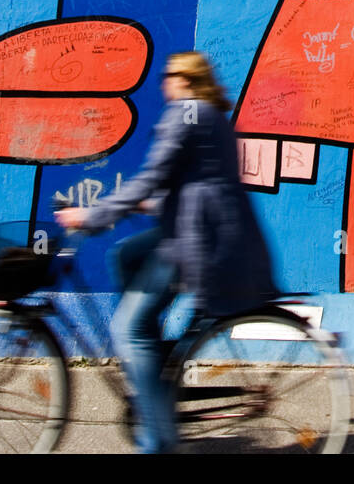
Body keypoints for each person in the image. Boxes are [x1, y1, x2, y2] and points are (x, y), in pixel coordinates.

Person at [55, 51, 278, 453]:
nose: (163, 82)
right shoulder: (213, 118)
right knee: (124, 256)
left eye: (168, 74)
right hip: (213, 236)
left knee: (128, 329)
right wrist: (148, 204)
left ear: (186, 80)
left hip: (197, 244)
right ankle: (153, 363)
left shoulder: (186, 113)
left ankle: (159, 441)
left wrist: (91, 217)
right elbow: (198, 183)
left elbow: (154, 176)